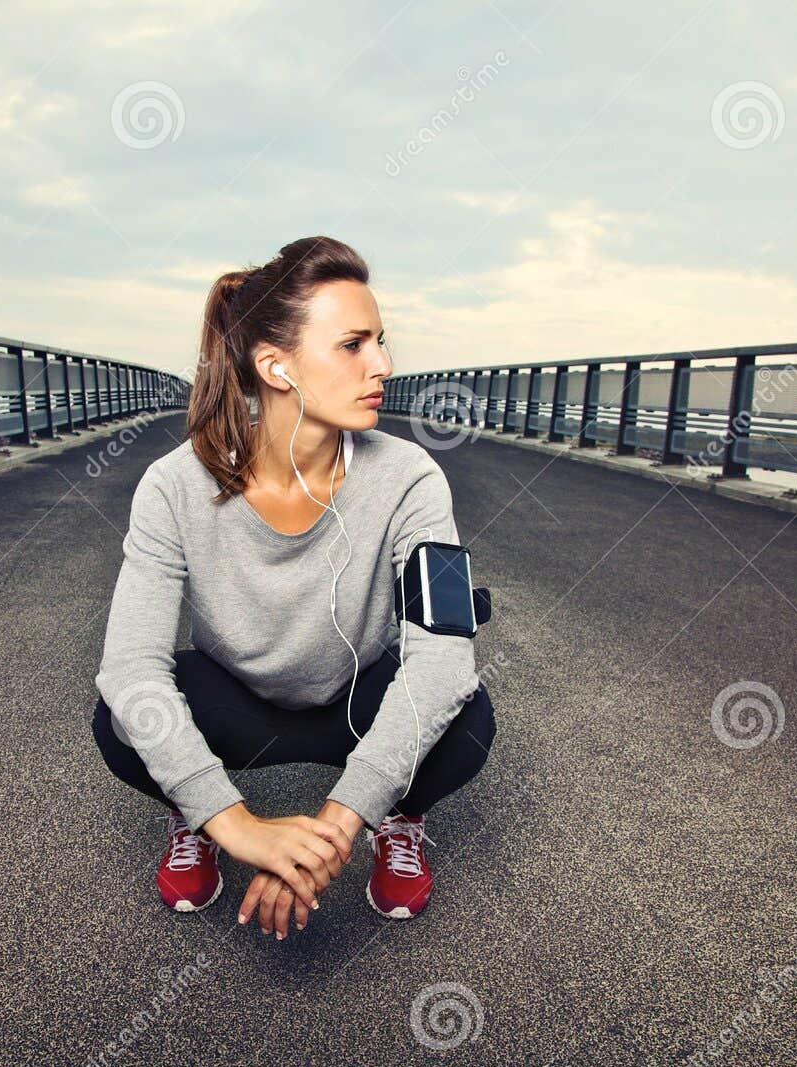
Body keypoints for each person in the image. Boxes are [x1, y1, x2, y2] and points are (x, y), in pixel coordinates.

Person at [90, 235, 496, 938]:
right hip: (238, 700)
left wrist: (334, 828)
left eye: (381, 342)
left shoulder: (415, 478)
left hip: (356, 696)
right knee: (123, 719)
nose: (384, 365)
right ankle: (198, 822)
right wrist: (240, 825)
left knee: (466, 720)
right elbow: (129, 667)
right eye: (354, 345)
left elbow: (444, 658)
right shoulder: (173, 485)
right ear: (276, 366)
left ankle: (396, 819)